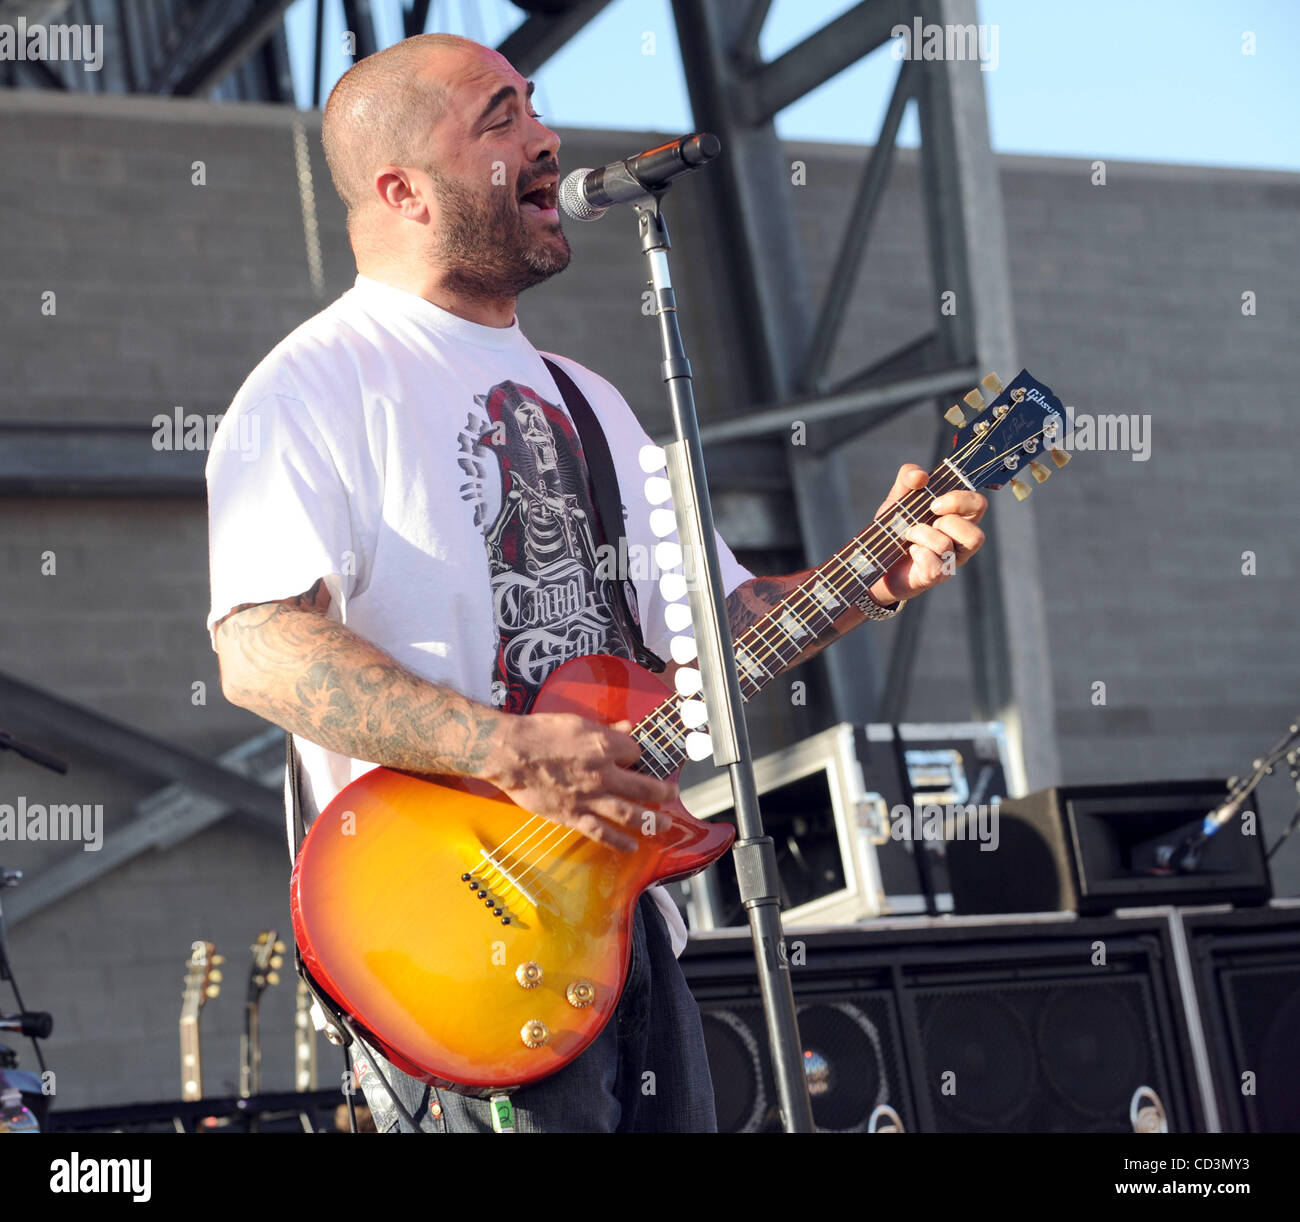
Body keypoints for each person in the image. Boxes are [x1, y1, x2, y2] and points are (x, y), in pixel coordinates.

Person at [205, 33, 987, 1133]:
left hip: (623, 929)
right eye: (498, 119)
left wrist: (868, 576)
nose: (547, 137)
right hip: (450, 950)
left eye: (535, 105)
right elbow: (257, 648)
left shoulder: (593, 402)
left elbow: (716, 637)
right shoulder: (314, 388)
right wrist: (506, 748)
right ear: (401, 189)